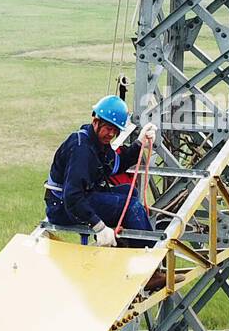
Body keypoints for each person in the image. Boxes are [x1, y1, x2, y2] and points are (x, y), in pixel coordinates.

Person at [45, 95, 157, 247]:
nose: (111, 134)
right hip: (62, 208)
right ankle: (149, 258)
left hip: (77, 199)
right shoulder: (81, 149)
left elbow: (117, 164)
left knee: (130, 191)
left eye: (115, 130)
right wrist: (99, 226)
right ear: (95, 122)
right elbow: (72, 197)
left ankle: (126, 244)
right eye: (108, 128)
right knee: (132, 206)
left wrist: (139, 142)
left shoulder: (97, 143)